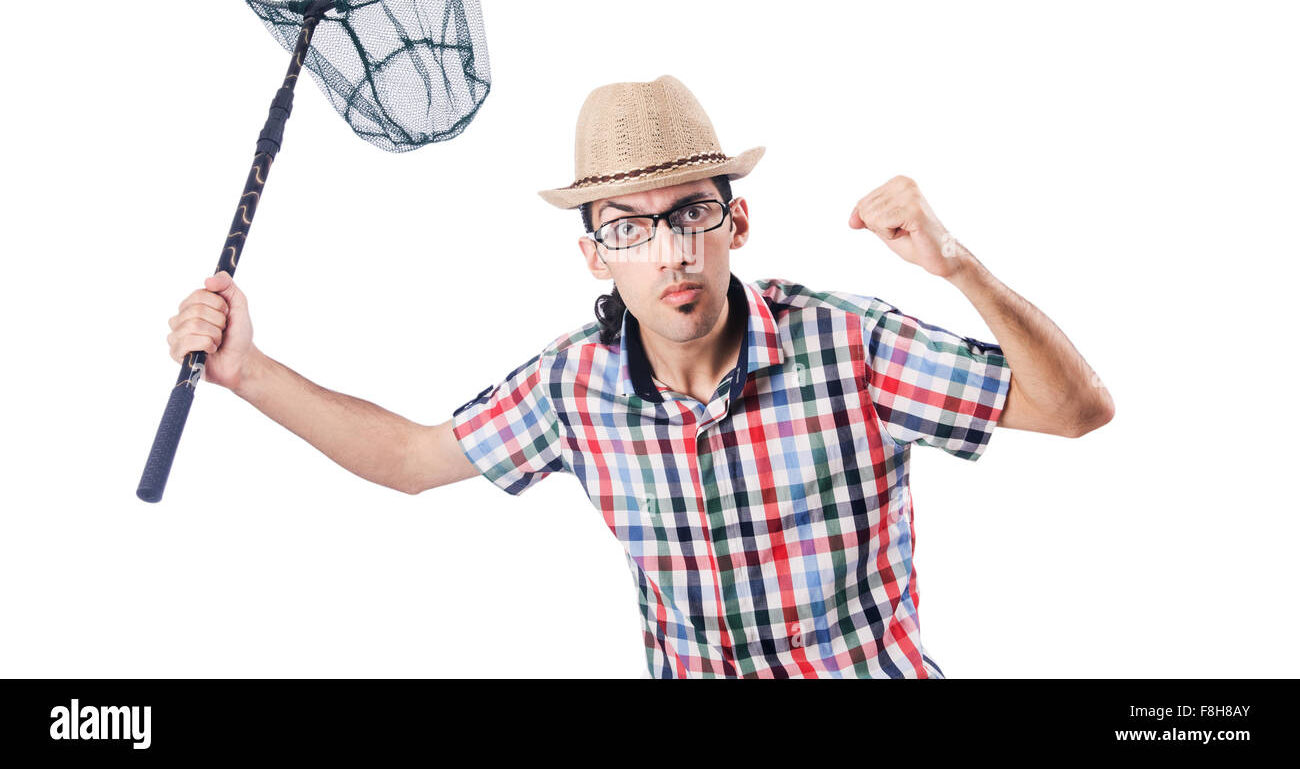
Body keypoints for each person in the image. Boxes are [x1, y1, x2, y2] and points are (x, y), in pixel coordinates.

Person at [166, 74, 1114, 678]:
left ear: (736, 226)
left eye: (692, 214)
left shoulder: (846, 345)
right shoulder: (574, 389)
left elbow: (1078, 411)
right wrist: (249, 371)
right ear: (595, 256)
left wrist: (957, 265)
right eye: (630, 226)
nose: (671, 252)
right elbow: (413, 456)